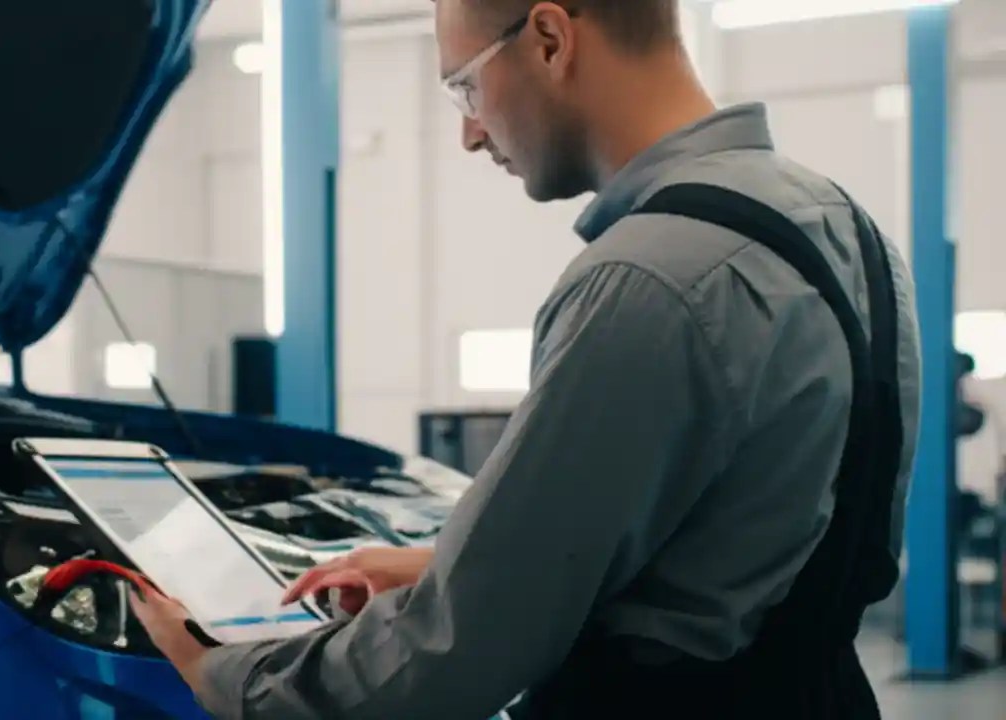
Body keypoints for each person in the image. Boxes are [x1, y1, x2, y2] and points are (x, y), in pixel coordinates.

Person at [127, 0, 921, 717]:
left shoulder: (647, 278)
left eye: (465, 89)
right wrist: (450, 564)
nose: (470, 133)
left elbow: (455, 657)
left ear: (548, 38)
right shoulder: (849, 231)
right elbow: (745, 533)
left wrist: (225, 674)